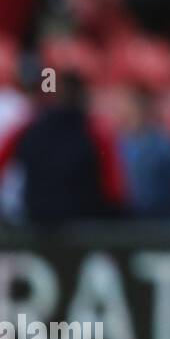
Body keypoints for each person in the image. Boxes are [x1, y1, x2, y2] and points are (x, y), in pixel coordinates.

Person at [0, 70, 126, 224]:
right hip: (82, 222)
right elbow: (114, 189)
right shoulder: (95, 130)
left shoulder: (28, 129)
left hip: (40, 220)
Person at [118, 87, 170, 219]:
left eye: (141, 107)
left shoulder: (165, 144)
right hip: (127, 219)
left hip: (160, 219)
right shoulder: (119, 143)